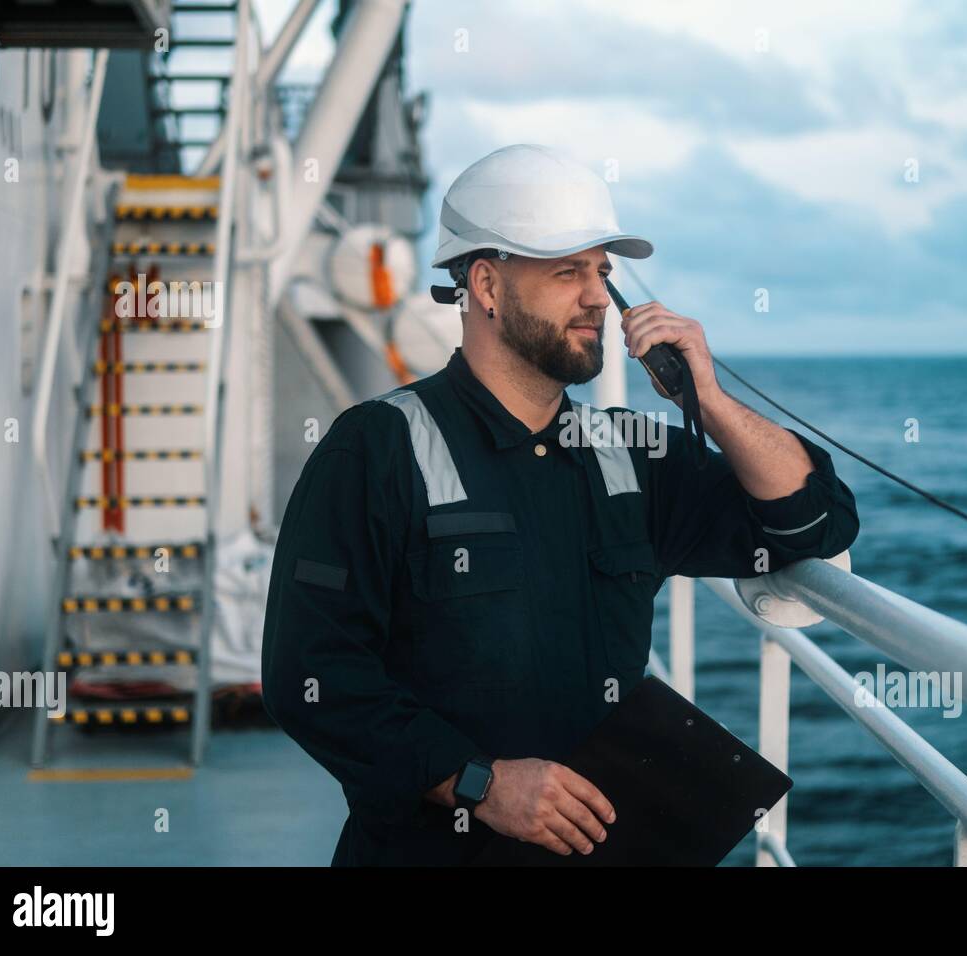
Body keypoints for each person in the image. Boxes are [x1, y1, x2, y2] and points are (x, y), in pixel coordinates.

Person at [261, 144, 860, 865]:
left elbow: (811, 523)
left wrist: (708, 398)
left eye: (602, 272)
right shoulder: (376, 449)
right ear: (486, 284)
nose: (598, 298)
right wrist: (477, 784)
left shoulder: (633, 455)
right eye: (567, 271)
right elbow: (310, 676)